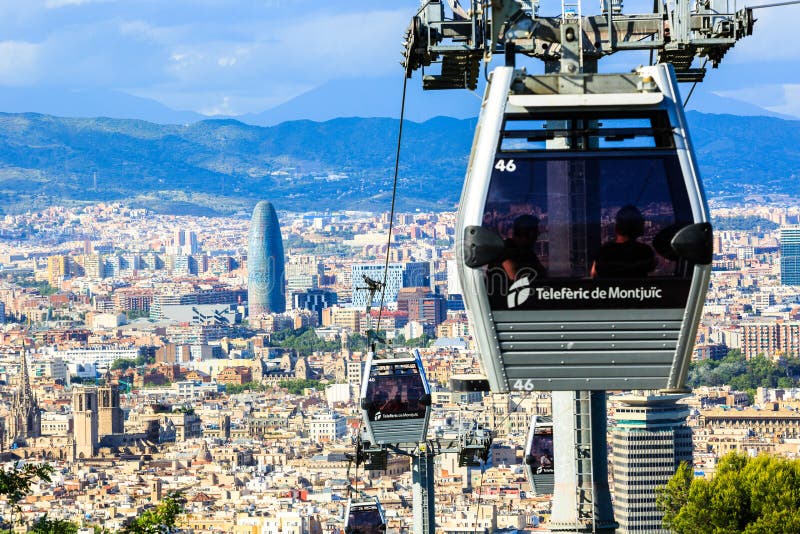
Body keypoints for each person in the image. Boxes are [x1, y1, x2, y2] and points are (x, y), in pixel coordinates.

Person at [591, 205, 656, 278]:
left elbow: (594, 274)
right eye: (641, 221)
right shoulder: (644, 252)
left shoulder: (604, 251)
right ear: (637, 226)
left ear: (617, 227)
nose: (644, 223)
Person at [500, 214, 547, 281]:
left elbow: (541, 273)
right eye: (535, 232)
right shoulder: (507, 251)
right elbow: (515, 280)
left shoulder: (527, 253)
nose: (537, 236)